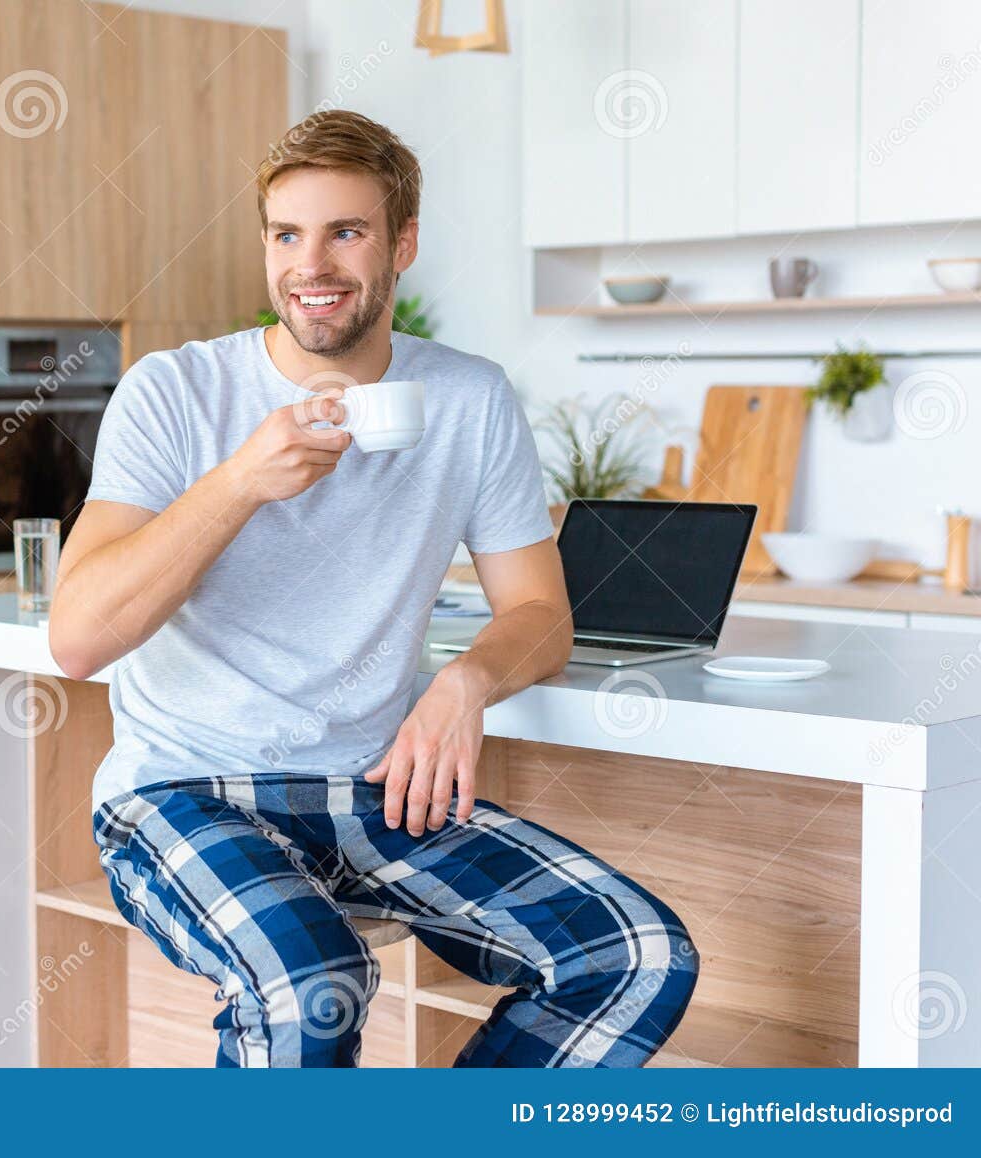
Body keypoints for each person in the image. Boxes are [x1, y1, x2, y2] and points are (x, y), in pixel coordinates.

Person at [47, 110, 698, 1068]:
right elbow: (78, 637)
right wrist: (237, 484)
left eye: (345, 232)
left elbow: (540, 615)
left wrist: (464, 682)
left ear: (402, 245)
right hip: (184, 788)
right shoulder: (174, 391)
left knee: (635, 954)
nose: (311, 264)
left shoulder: (470, 399)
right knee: (312, 984)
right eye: (286, 235)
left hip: (378, 787)